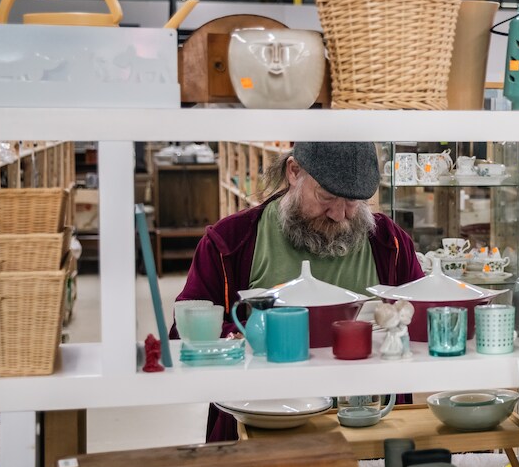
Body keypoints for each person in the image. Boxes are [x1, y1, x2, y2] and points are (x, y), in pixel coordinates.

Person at [174, 141, 424, 440]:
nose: (339, 214)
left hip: (371, 428)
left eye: (354, 202)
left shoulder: (390, 244)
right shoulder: (230, 243)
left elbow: (423, 329)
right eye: (327, 196)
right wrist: (244, 337)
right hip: (264, 427)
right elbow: (184, 335)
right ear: (294, 171)